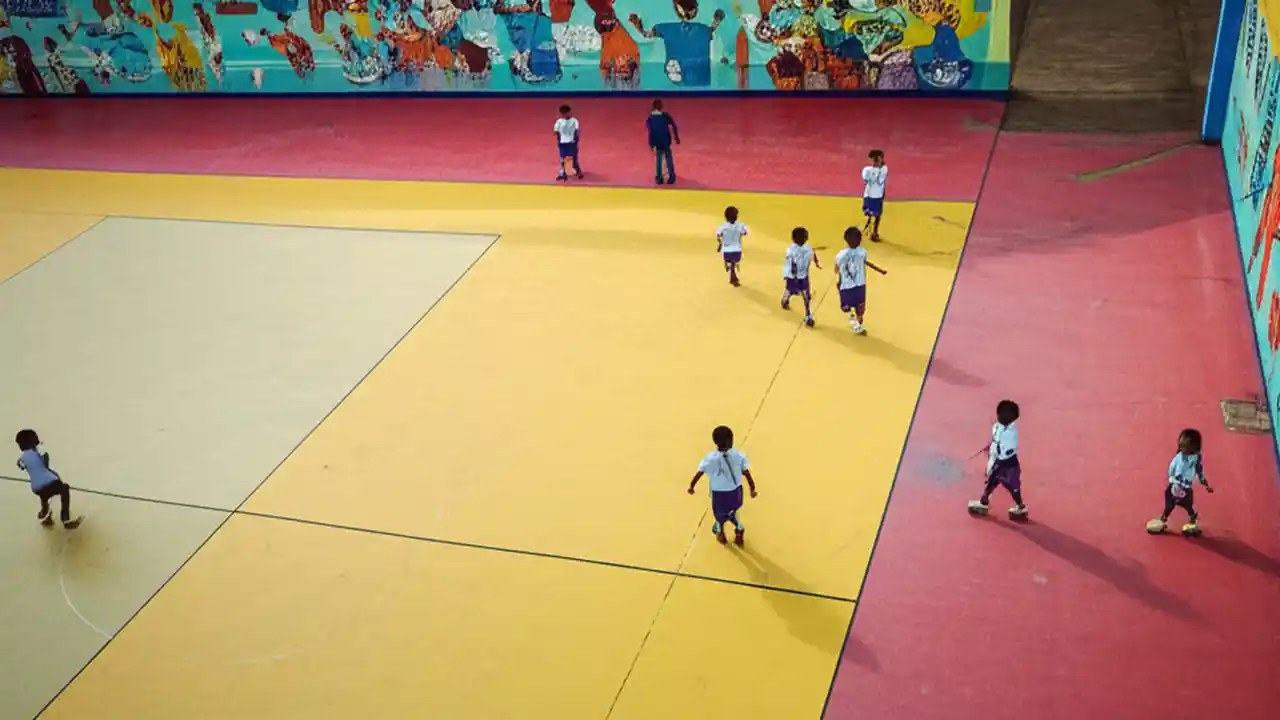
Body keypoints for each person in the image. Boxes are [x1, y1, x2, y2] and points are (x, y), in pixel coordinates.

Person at [688, 425, 758, 546]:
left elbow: (699, 473)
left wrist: (691, 486)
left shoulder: (710, 459)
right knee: (734, 511)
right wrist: (752, 489)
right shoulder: (739, 456)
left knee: (720, 516)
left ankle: (721, 533)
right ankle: (738, 528)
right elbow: (747, 474)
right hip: (736, 492)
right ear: (731, 440)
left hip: (719, 494)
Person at [1147, 429, 1215, 535]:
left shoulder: (1196, 459)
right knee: (1170, 503)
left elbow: (1199, 472)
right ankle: (1163, 518)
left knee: (1188, 505)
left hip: (1185, 488)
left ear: (1194, 448)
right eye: (1180, 446)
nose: (1182, 449)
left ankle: (1193, 520)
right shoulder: (1179, 455)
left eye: (1185, 447)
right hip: (1174, 485)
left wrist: (1205, 484)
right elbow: (1173, 467)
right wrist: (1171, 479)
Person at [967, 400, 1026, 520]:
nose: (997, 417)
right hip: (999, 463)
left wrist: (996, 451)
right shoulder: (997, 427)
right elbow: (995, 439)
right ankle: (983, 502)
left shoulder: (1011, 435)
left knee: (1013, 487)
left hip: (1008, 464)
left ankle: (1020, 506)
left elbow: (1008, 450)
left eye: (1000, 415)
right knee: (991, 482)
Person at [15, 429, 80, 529]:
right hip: (50, 482)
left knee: (44, 495)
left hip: (36, 487)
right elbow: (45, 466)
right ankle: (65, 520)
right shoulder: (38, 453)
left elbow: (21, 465)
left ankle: (45, 513)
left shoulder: (22, 457)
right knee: (64, 488)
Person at [834, 227, 887, 334]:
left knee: (851, 307)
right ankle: (856, 319)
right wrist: (879, 270)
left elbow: (836, 270)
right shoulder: (862, 252)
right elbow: (864, 261)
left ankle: (858, 323)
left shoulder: (840, 255)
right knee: (857, 307)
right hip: (859, 284)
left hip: (848, 285)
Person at [782, 226, 820, 327]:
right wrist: (794, 277)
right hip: (794, 276)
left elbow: (813, 254)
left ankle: (808, 314)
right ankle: (785, 299)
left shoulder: (807, 248)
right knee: (790, 290)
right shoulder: (791, 250)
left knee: (806, 296)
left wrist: (816, 262)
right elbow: (792, 264)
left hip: (803, 276)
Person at [646, 98, 680, 185]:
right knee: (668, 157)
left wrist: (651, 144)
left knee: (659, 159)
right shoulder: (665, 116)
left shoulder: (650, 118)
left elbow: (651, 131)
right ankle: (671, 177)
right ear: (661, 107)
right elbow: (674, 126)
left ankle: (659, 178)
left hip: (656, 140)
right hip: (665, 140)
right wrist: (676, 137)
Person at [716, 205, 747, 286]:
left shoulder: (722, 227)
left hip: (726, 251)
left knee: (729, 262)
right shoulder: (741, 225)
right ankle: (732, 267)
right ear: (736, 217)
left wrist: (719, 244)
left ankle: (730, 266)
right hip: (737, 250)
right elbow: (745, 232)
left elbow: (718, 236)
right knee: (736, 262)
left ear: (725, 217)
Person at [861, 149, 888, 241]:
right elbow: (867, 180)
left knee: (877, 215)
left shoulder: (884, 169)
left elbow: (881, 181)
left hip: (878, 195)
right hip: (869, 195)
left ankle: (874, 232)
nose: (877, 161)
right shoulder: (867, 169)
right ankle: (868, 228)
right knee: (869, 213)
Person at [553, 104, 583, 181]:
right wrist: (558, 138)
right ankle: (563, 172)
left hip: (571, 143)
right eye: (562, 113)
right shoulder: (559, 121)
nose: (564, 115)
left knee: (573, 158)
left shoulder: (574, 121)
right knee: (563, 158)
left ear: (569, 112)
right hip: (562, 143)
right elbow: (556, 131)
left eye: (566, 113)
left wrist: (575, 140)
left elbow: (577, 131)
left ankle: (577, 170)